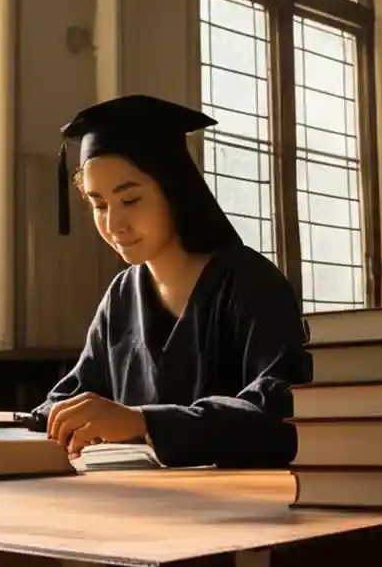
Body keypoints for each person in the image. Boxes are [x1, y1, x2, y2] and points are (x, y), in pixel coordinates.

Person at [30, 93, 313, 469]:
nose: (114, 225)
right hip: (136, 504)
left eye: (130, 200)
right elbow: (71, 399)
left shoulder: (252, 285)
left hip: (247, 509)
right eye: (99, 205)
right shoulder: (121, 296)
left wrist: (142, 422)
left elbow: (281, 414)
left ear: (174, 190)